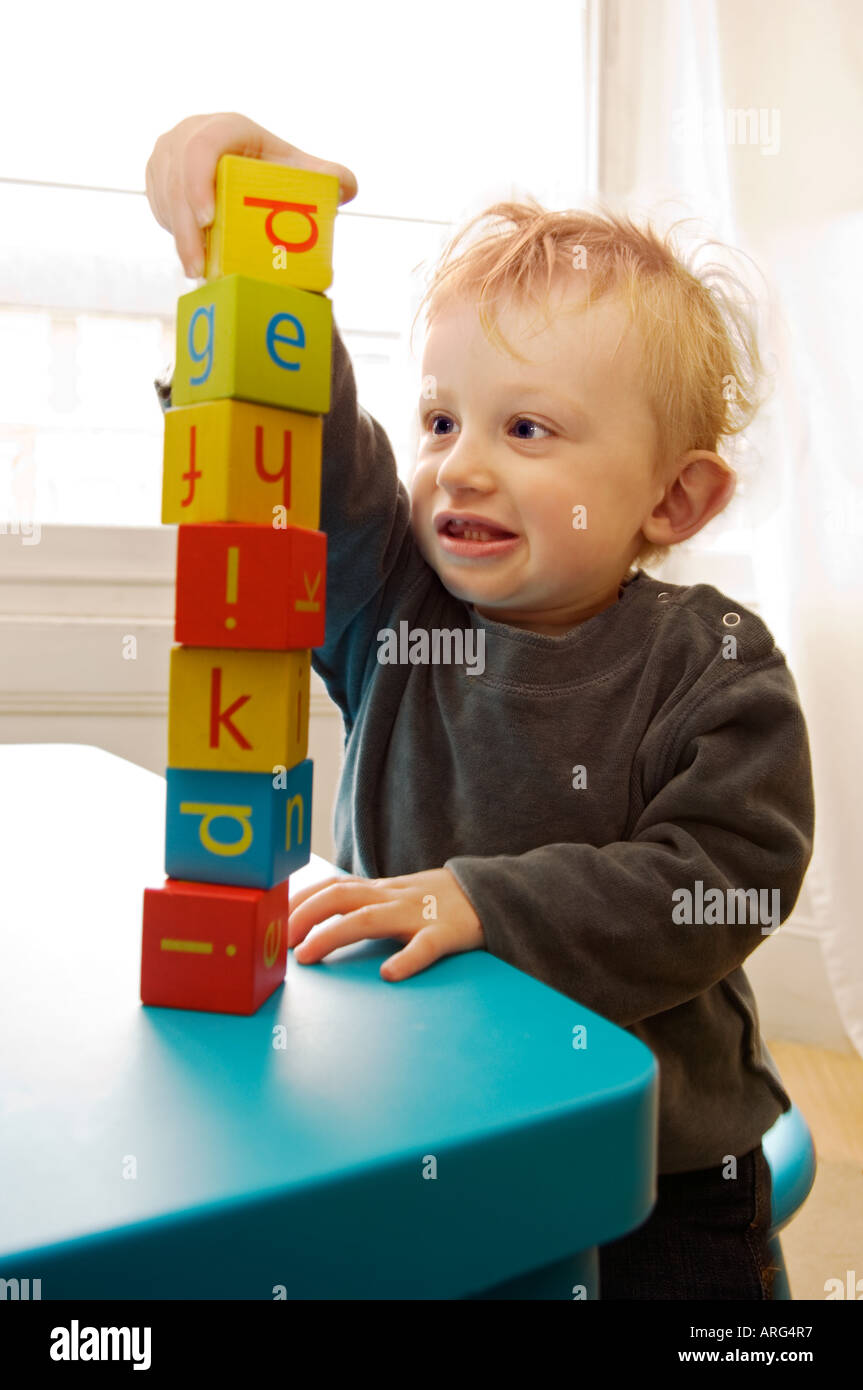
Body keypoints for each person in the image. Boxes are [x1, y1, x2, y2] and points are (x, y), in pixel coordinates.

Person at [146, 113, 814, 1300]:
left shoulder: (711, 660)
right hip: (417, 1118)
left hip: (659, 1165)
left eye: (526, 429)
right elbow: (310, 460)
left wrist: (481, 900)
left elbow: (728, 871)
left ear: (674, 498)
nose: (458, 464)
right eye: (441, 420)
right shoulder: (393, 606)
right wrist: (247, 263)